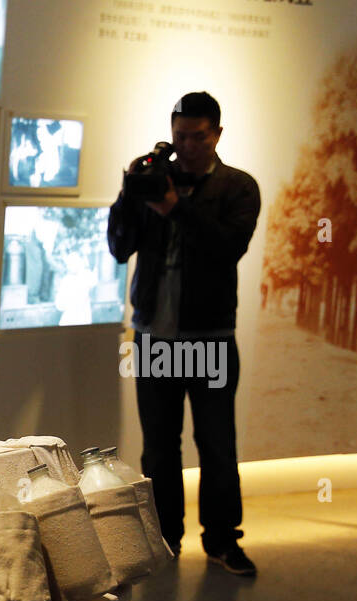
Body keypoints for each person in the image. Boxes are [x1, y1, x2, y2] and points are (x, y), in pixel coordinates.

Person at [108, 91, 261, 576]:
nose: (189, 146)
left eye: (198, 136)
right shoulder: (158, 180)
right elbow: (119, 248)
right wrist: (130, 192)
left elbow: (225, 249)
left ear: (217, 134)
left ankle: (221, 540)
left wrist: (175, 207)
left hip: (210, 337)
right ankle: (164, 538)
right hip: (155, 335)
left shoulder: (239, 188)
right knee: (159, 445)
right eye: (180, 136)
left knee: (216, 443)